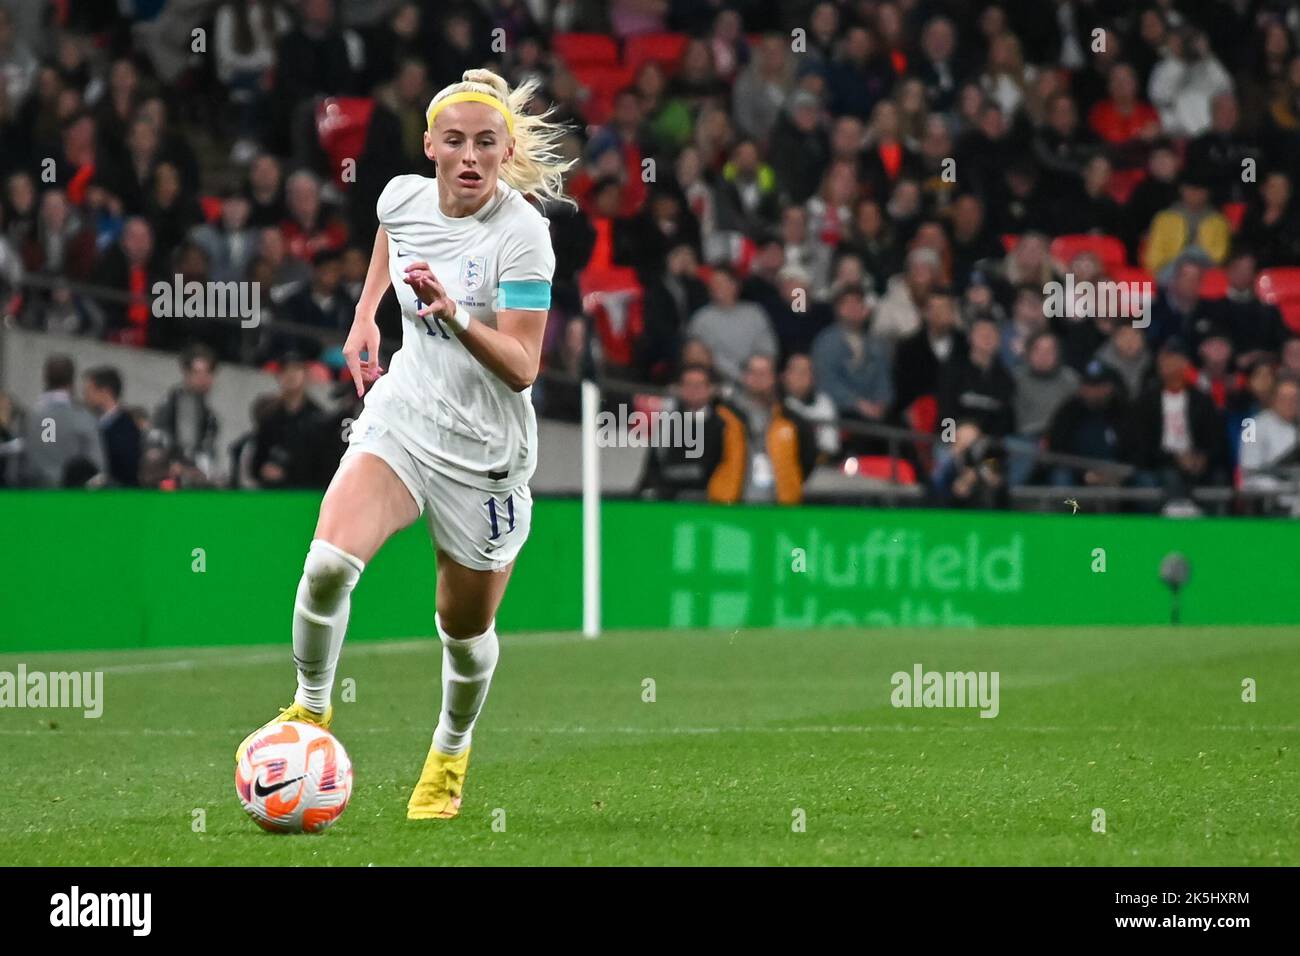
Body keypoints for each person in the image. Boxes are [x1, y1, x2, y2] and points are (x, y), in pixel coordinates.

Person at [235, 69, 573, 824]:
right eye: (453, 141)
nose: (469, 156)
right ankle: (310, 710)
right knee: (326, 566)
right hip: (406, 416)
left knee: (463, 631)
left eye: (486, 143)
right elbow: (395, 234)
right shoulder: (401, 194)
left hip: (485, 456)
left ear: (505, 149)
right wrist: (365, 316)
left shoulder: (522, 237)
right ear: (430, 146)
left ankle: (450, 751)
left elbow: (523, 367)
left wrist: (452, 316)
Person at [19, 354, 103, 487]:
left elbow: (18, 464)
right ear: (72, 380)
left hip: (35, 494)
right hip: (71, 498)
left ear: (45, 378)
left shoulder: (29, 417)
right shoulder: (82, 417)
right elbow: (97, 464)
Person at [82, 366, 141, 487]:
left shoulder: (126, 428)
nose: (85, 396)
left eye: (89, 390)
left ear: (105, 392)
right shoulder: (96, 423)